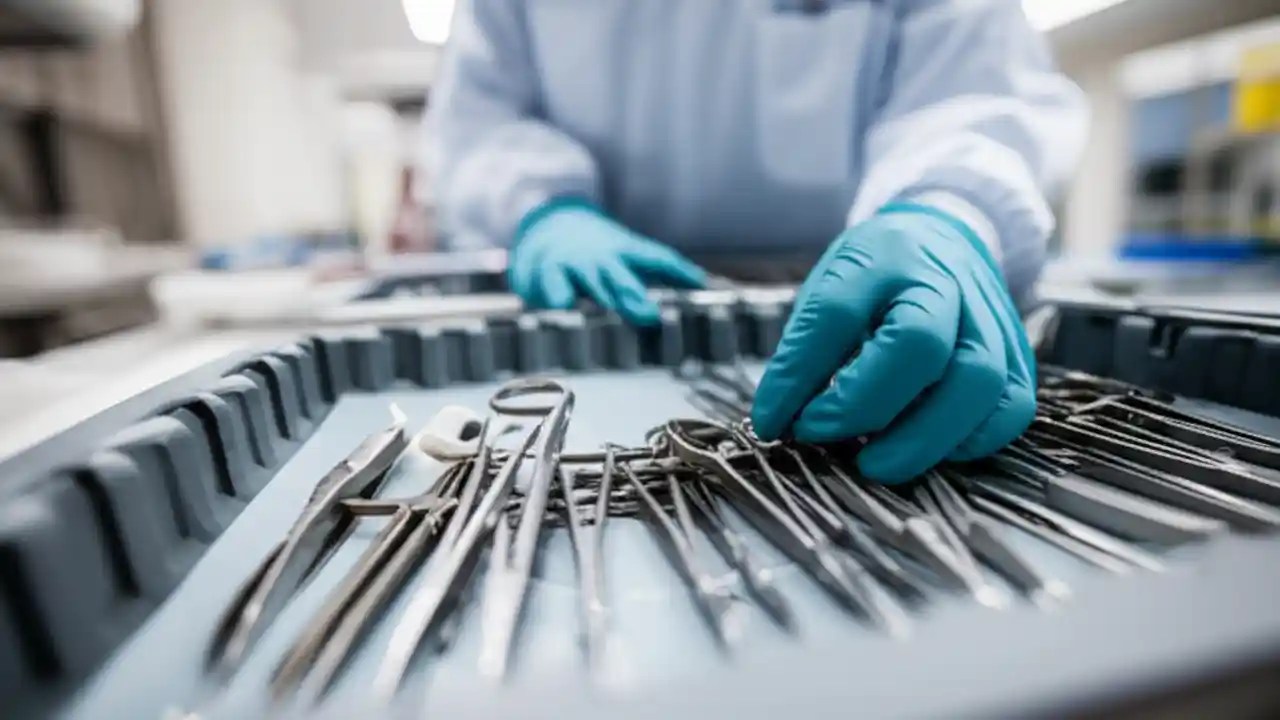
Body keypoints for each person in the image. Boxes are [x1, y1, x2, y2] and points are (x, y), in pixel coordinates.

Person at [428, 0, 1087, 483]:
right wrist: (543, 207)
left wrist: (946, 211)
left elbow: (971, 89)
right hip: (615, 296)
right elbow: (481, 116)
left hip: (864, 296)